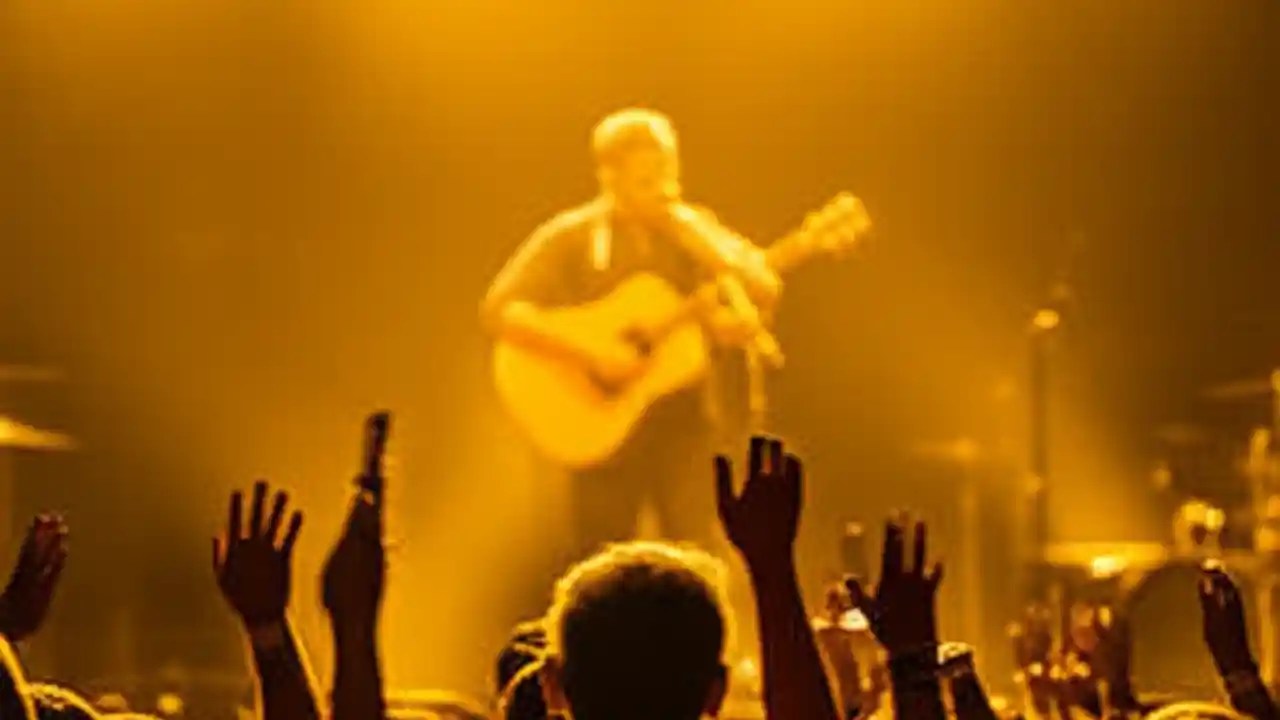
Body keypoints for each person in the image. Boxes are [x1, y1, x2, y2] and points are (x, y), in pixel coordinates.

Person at [481, 108, 780, 561]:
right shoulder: (572, 238)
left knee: (697, 555)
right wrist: (592, 351)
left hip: (684, 425)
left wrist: (717, 266)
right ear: (610, 179)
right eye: (646, 180)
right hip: (599, 428)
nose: (663, 189)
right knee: (600, 562)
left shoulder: (694, 230)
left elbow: (760, 286)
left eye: (668, 174)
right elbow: (504, 310)